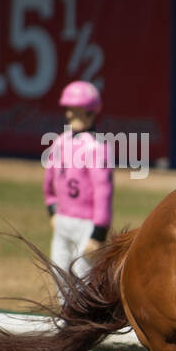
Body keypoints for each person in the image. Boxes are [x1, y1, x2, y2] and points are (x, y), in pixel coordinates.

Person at [43, 80, 111, 281]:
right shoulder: (60, 141)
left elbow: (103, 191)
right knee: (60, 275)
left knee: (83, 280)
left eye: (76, 109)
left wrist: (98, 233)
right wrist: (52, 209)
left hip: (87, 224)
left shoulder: (96, 147)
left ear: (90, 112)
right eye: (69, 109)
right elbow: (49, 180)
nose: (69, 114)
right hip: (63, 219)